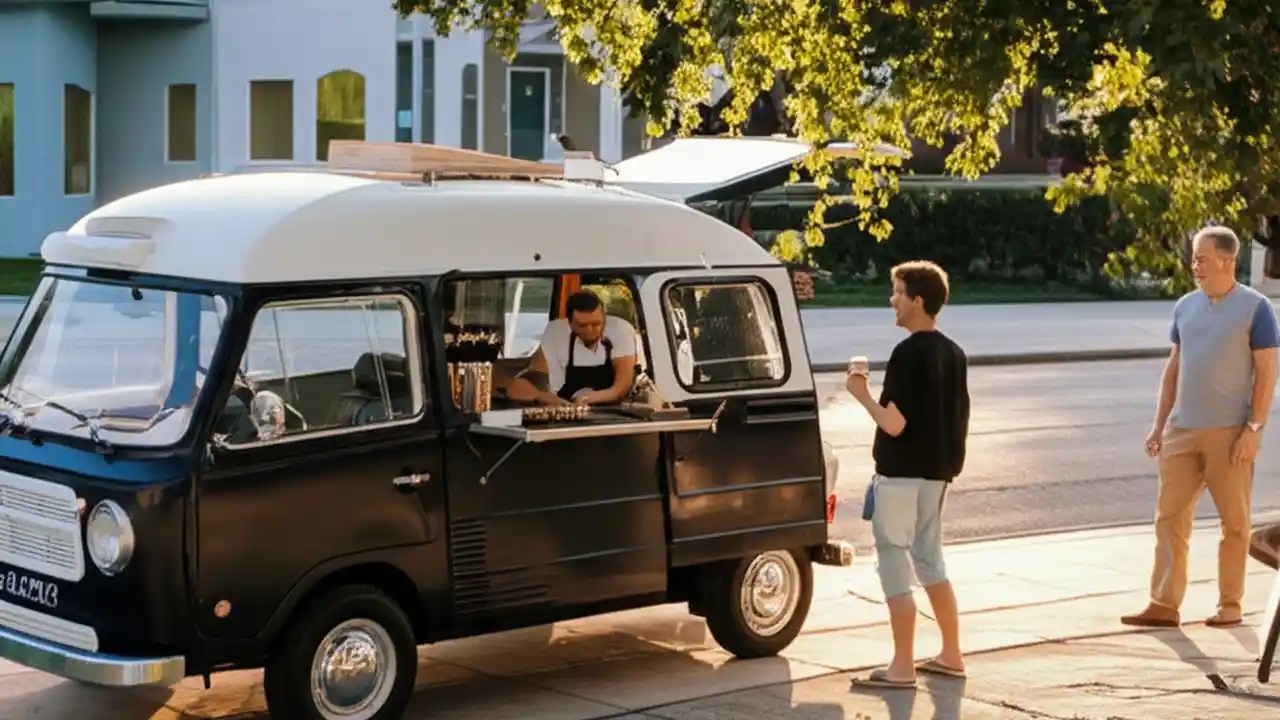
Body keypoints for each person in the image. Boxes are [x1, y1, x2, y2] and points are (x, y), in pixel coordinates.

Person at [1122, 225, 1279, 628]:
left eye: (1203, 258)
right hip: (1182, 431)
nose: (1195, 265)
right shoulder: (1185, 307)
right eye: (1194, 257)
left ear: (1227, 261)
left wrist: (1254, 429)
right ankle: (1164, 604)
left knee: (1235, 523)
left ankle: (1230, 604)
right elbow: (1174, 369)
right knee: (1169, 519)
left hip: (1230, 434)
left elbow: (1266, 372)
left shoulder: (1256, 309)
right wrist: (1159, 425)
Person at [847, 260, 970, 689]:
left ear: (918, 301)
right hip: (937, 477)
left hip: (899, 476)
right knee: (930, 560)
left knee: (893, 559)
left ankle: (902, 665)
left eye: (898, 292)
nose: (892, 300)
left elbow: (894, 424)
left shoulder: (907, 353)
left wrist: (861, 395)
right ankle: (952, 653)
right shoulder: (954, 353)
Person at [506, 290, 638, 406]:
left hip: (612, 413)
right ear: (570, 323)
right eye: (582, 325)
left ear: (604, 317)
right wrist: (545, 398)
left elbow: (620, 389)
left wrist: (585, 399)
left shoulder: (620, 330)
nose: (590, 330)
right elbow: (529, 380)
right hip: (568, 410)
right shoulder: (556, 332)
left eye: (596, 324)